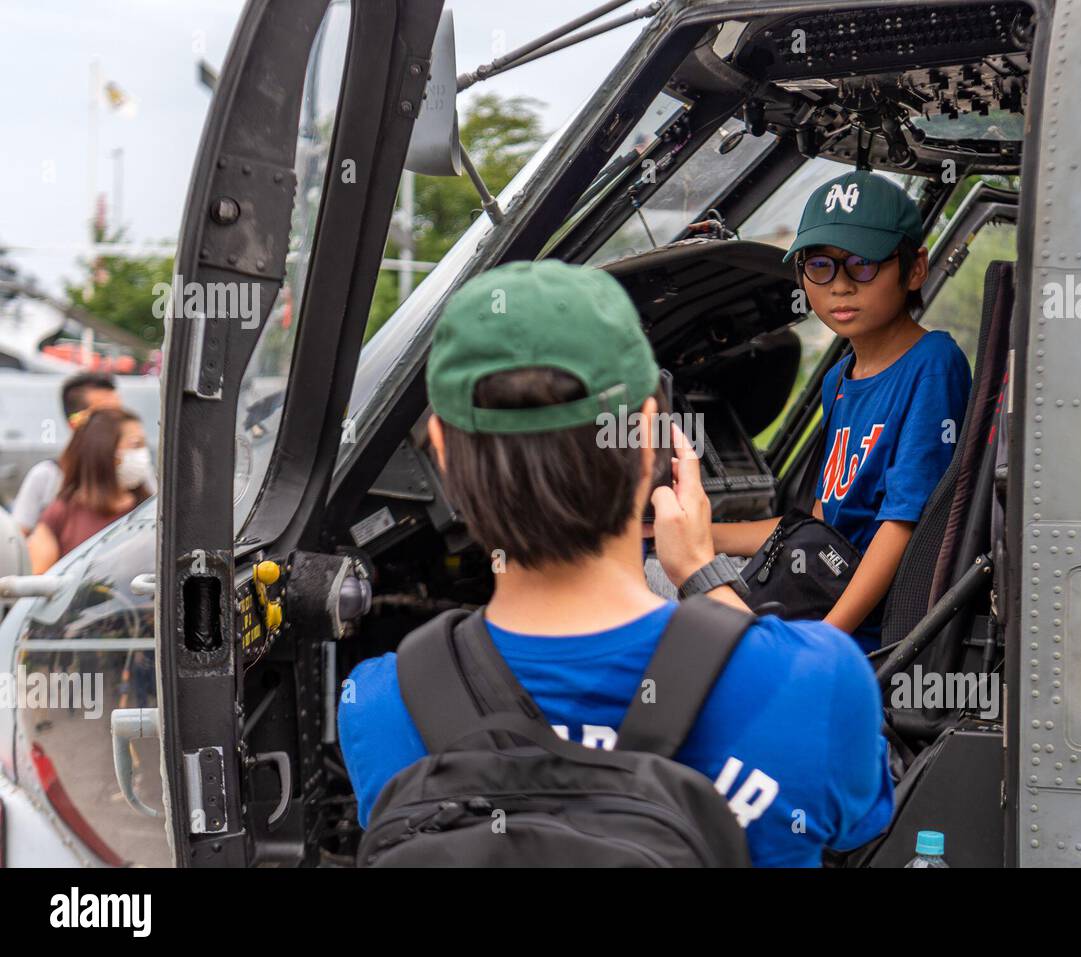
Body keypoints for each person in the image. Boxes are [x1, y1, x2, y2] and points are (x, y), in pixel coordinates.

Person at [338, 260, 893, 867]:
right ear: (652, 435)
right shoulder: (815, 683)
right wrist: (704, 577)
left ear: (441, 450)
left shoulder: (380, 704)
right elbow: (858, 827)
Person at [711, 171, 972, 650]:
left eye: (863, 264)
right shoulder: (838, 380)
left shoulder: (932, 365)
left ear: (915, 268)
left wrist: (825, 642)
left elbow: (901, 525)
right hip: (818, 596)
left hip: (864, 633)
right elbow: (820, 526)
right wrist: (706, 536)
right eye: (820, 266)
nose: (841, 286)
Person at [9, 372, 155, 535]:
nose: (119, 424)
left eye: (120, 414)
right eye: (105, 417)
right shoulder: (47, 478)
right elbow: (18, 540)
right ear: (76, 423)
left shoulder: (137, 475)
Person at [26, 408, 152, 573]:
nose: (143, 453)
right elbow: (37, 582)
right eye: (136, 445)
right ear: (105, 451)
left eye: (144, 445)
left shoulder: (150, 511)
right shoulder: (60, 514)